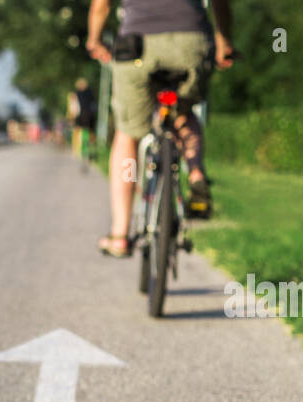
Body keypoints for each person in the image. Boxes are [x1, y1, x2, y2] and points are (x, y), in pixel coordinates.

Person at [87, 0, 235, 257]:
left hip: (138, 46)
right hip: (191, 43)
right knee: (183, 115)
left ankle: (120, 234)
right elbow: (220, 3)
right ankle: (196, 173)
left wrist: (94, 40)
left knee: (128, 134)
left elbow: (101, 5)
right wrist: (224, 42)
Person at [67, 78, 97, 159]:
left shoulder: (75, 94)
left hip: (80, 116)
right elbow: (94, 105)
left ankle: (79, 150)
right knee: (88, 132)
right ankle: (88, 149)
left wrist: (71, 116)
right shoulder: (91, 93)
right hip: (89, 116)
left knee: (78, 131)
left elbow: (73, 106)